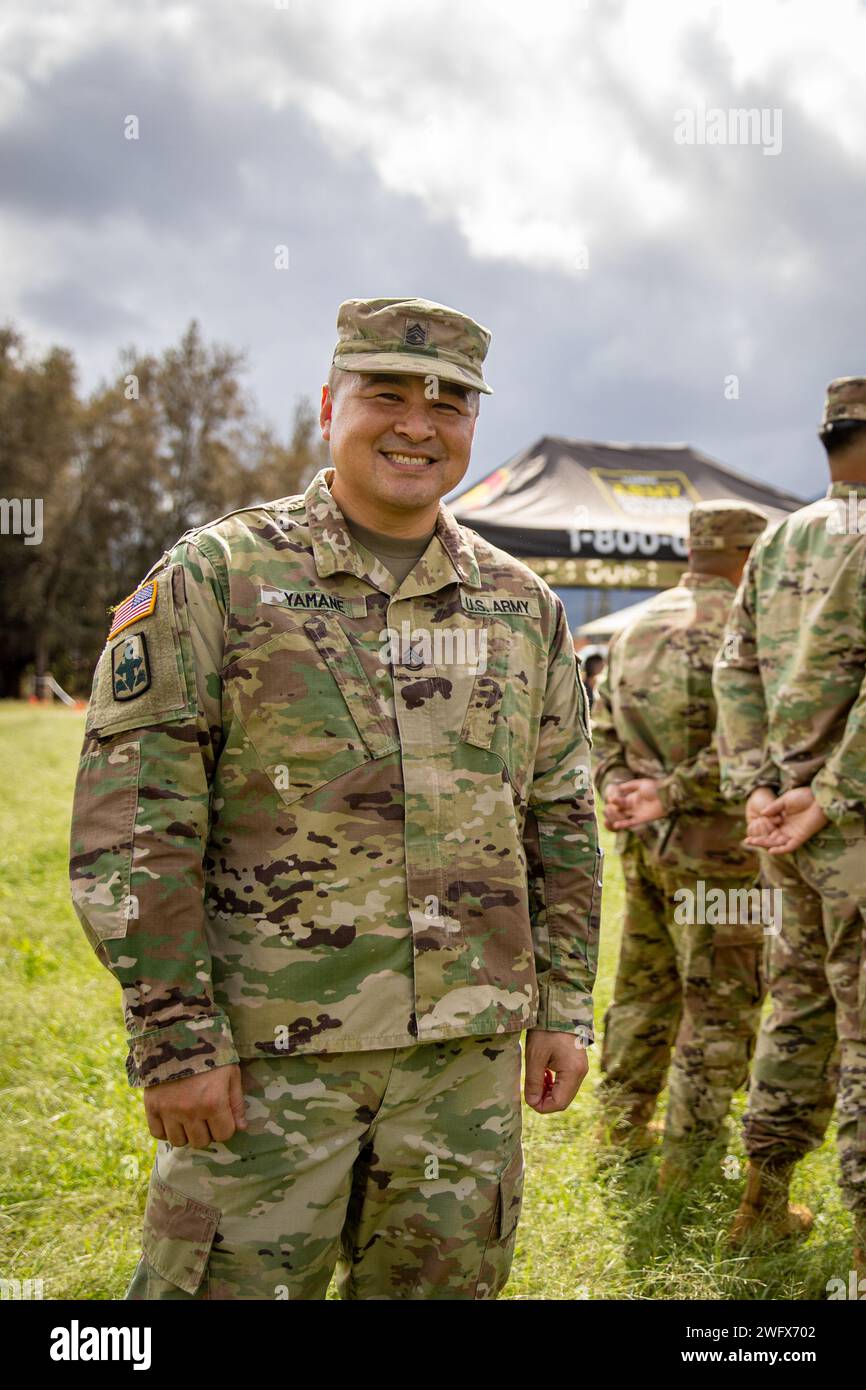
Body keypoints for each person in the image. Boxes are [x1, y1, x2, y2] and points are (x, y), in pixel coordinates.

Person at [69, 296, 602, 1300]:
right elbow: (132, 827)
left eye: (446, 403)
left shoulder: (522, 606)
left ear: (471, 426)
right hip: (268, 1067)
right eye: (385, 394)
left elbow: (562, 817)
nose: (416, 423)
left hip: (463, 1074)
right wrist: (176, 1038)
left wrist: (563, 1008)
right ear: (328, 405)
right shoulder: (217, 578)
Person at [713, 378, 866, 1264]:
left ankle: (763, 1204)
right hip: (846, 823)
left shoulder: (780, 538)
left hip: (788, 829)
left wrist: (757, 790)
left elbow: (735, 671)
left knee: (798, 1006)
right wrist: (834, 793)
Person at [591, 500, 768, 1187]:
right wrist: (669, 792)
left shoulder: (637, 625)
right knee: (719, 1001)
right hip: (722, 851)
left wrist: (619, 787)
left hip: (646, 849)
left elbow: (602, 726)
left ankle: (622, 1123)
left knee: (644, 983)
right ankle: (688, 1166)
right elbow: (749, 746)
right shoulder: (745, 631)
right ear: (749, 558)